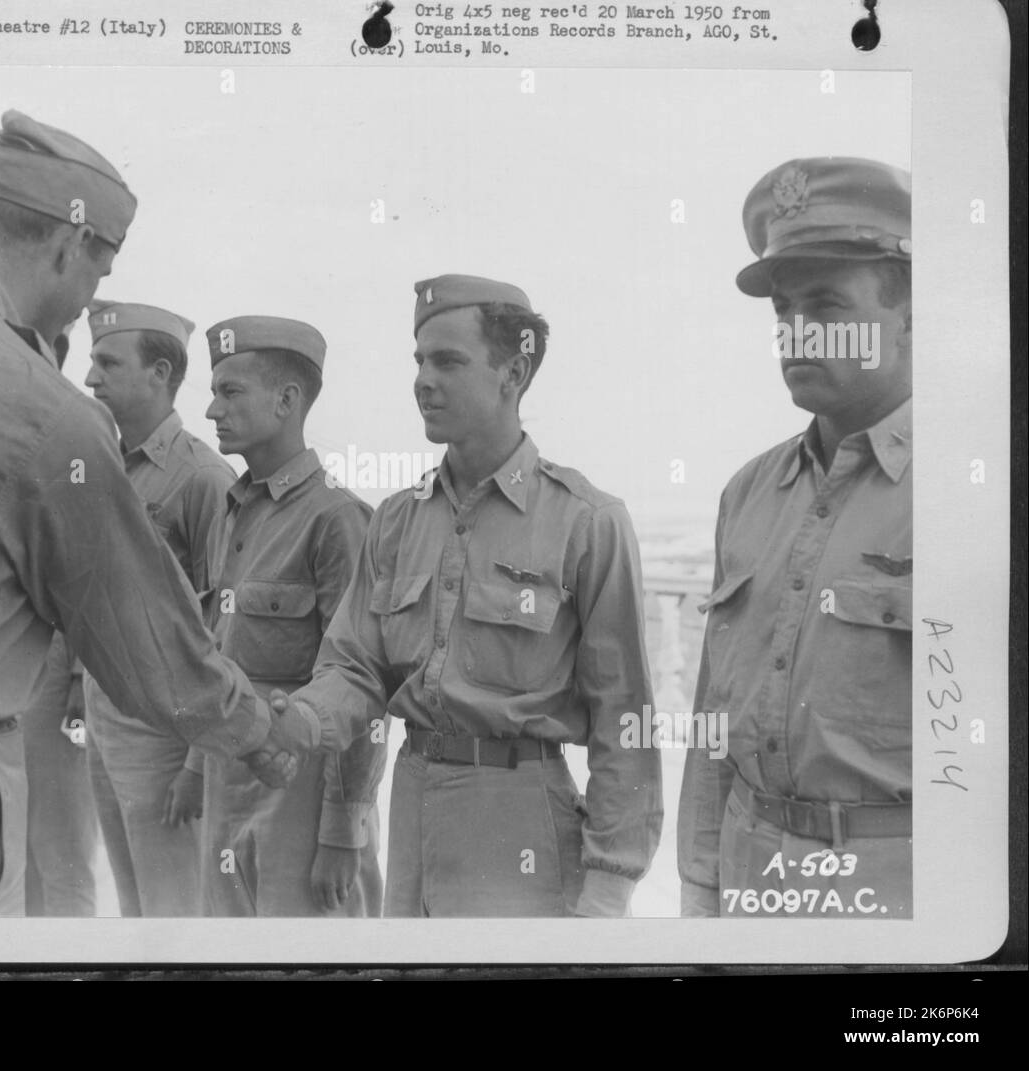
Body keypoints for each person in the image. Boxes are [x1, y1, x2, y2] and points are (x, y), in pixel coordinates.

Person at [0, 109, 312, 916]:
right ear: (65, 246)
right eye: (94, 276)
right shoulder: (41, 410)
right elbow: (148, 640)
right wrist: (259, 733)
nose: (83, 310)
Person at [275, 275, 663, 917]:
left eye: (448, 361)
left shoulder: (587, 521)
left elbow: (626, 717)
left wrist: (610, 884)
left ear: (513, 372)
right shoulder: (398, 519)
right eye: (420, 361)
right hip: (414, 799)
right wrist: (301, 719)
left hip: (518, 821)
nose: (424, 379)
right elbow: (354, 664)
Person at [677, 157, 913, 919]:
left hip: (896, 895)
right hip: (748, 877)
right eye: (784, 308)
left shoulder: (976, 490)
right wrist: (700, 886)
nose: (797, 331)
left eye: (828, 304)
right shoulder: (748, 493)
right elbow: (716, 713)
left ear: (912, 312)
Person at [189, 315, 385, 916]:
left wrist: (341, 831)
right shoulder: (233, 509)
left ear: (287, 399)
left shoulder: (337, 520)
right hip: (228, 787)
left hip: (301, 800)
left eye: (230, 391)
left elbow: (362, 687)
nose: (211, 410)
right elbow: (219, 656)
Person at [79, 299, 236, 917]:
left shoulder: (203, 479)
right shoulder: (99, 466)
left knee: (176, 917)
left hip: (165, 735)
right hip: (104, 722)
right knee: (133, 914)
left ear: (162, 374)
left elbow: (225, 628)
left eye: (108, 362)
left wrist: (198, 762)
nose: (91, 378)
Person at [21, 324, 103, 918]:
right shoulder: (6, 424)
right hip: (5, 663)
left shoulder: (72, 433)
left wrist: (78, 674)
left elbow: (89, 567)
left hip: (58, 658)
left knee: (64, 843)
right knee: (18, 836)